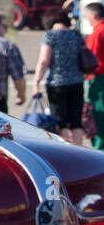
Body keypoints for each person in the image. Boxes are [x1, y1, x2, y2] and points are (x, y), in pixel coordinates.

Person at [34, 11, 87, 145]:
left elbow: (44, 61)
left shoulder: (50, 35)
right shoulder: (76, 35)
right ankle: (78, 152)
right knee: (76, 122)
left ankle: (66, 153)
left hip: (56, 83)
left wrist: (36, 81)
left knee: (61, 122)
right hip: (76, 82)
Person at [84, 2, 104, 149]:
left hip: (99, 80)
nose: (86, 20)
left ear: (93, 15)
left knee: (98, 117)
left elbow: (91, 60)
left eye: (87, 16)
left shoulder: (97, 33)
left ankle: (100, 150)